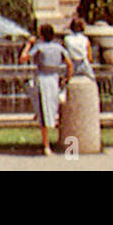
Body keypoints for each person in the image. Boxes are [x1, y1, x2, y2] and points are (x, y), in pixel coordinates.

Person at [18, 23, 73, 155]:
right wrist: (67, 79)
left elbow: (22, 59)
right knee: (52, 110)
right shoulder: (59, 47)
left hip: (42, 80)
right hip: (54, 80)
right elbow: (69, 64)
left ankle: (46, 146)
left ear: (41, 36)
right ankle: (58, 142)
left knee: (43, 112)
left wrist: (28, 45)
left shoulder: (39, 47)